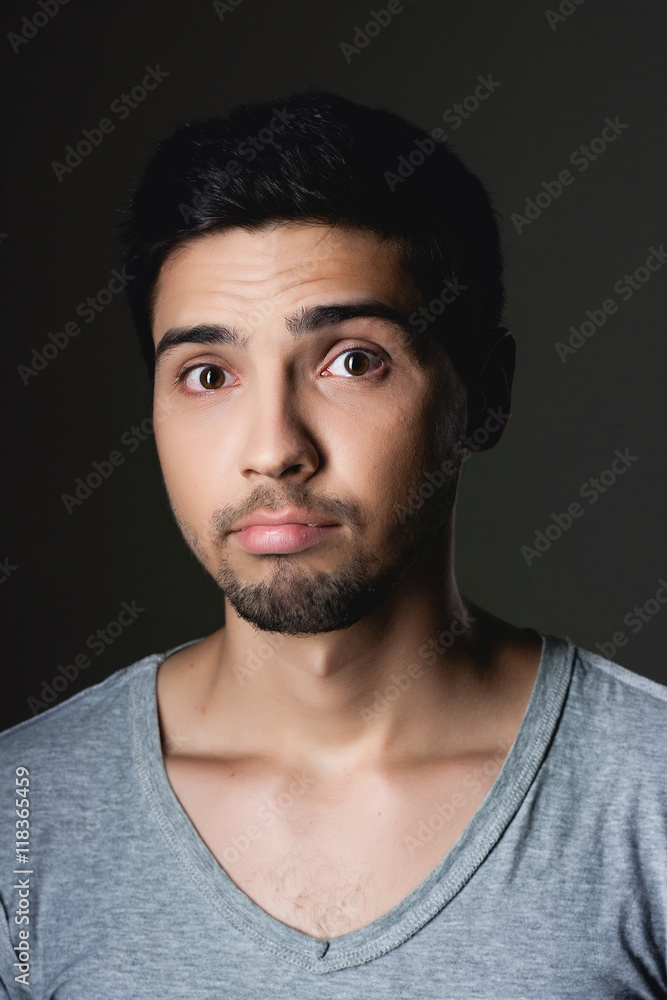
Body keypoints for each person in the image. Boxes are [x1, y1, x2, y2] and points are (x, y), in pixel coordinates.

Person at [1, 89, 665, 998]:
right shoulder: (23, 812)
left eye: (351, 360)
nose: (273, 446)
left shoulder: (647, 796)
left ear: (486, 392)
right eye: (206, 374)